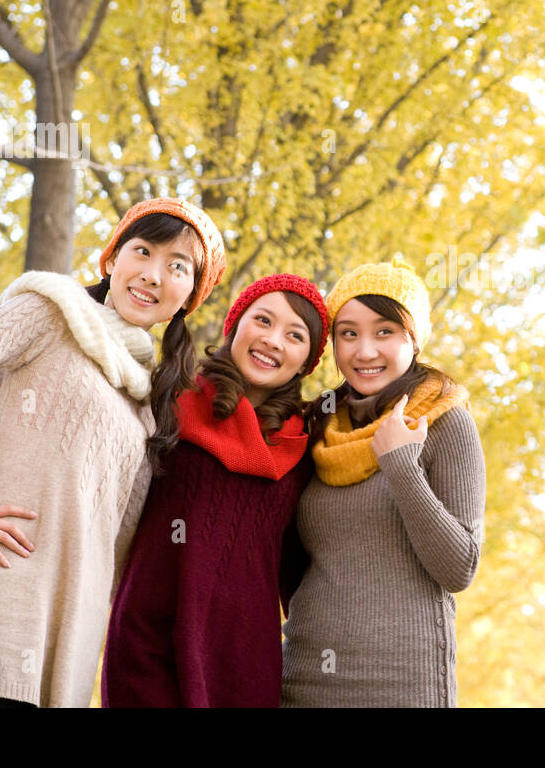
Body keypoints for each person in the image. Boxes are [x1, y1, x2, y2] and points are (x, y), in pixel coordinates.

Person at [0, 198, 226, 707]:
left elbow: (120, 548)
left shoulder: (147, 403)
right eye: (143, 251)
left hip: (69, 657)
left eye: (177, 266)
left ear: (187, 296)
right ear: (112, 260)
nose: (153, 275)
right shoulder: (51, 313)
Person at [102, 274, 329, 707]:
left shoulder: (305, 451)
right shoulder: (168, 402)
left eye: (294, 335)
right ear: (235, 325)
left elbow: (302, 576)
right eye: (262, 320)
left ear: (306, 362)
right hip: (149, 644)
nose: (273, 340)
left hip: (247, 663)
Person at [280, 255, 486, 707]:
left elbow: (460, 568)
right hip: (305, 680)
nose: (364, 351)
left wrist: (401, 465)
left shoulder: (444, 423)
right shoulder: (318, 424)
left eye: (384, 331)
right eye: (348, 333)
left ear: (413, 339)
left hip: (403, 687)